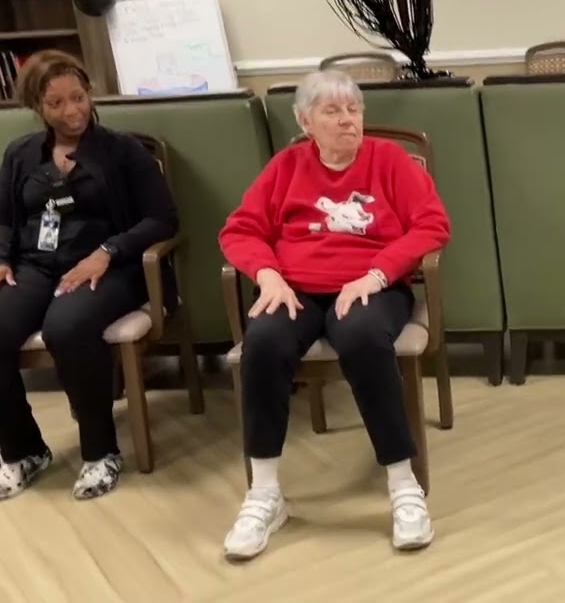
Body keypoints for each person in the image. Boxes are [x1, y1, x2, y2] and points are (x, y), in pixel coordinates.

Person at [218, 69, 451, 561]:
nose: (348, 120)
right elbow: (239, 231)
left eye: (354, 109)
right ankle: (265, 493)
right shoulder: (286, 166)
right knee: (263, 343)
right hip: (295, 287)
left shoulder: (388, 160)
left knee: (364, 338)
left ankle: (403, 484)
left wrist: (377, 273)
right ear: (306, 121)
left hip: (370, 285)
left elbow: (432, 225)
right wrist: (267, 275)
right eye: (333, 111)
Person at [0, 50, 178, 501]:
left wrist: (108, 251)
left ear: (89, 93)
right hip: (37, 265)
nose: (72, 111)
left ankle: (100, 453)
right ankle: (23, 450)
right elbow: (4, 219)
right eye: (56, 103)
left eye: (77, 97)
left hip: (110, 267)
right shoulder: (21, 155)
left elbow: (162, 219)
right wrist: (1, 256)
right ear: (38, 107)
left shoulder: (123, 151)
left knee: (68, 326)